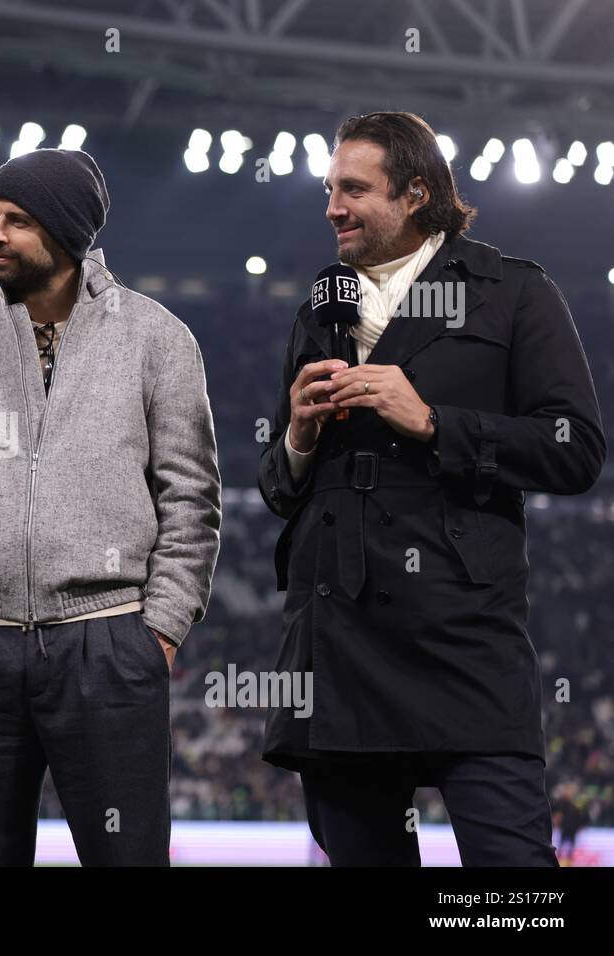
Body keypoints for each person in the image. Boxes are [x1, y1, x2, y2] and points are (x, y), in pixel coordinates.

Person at [258, 111, 606, 866]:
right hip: (339, 643)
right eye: (328, 190)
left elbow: (575, 448)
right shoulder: (319, 309)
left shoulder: (512, 291)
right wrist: (298, 438)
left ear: (416, 193)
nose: (332, 207)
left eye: (354, 189)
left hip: (464, 639)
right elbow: (278, 490)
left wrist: (436, 423)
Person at [0, 148, 222, 865]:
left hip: (107, 644)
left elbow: (191, 496)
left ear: (66, 231)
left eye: (16, 220)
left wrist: (158, 632)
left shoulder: (157, 339)